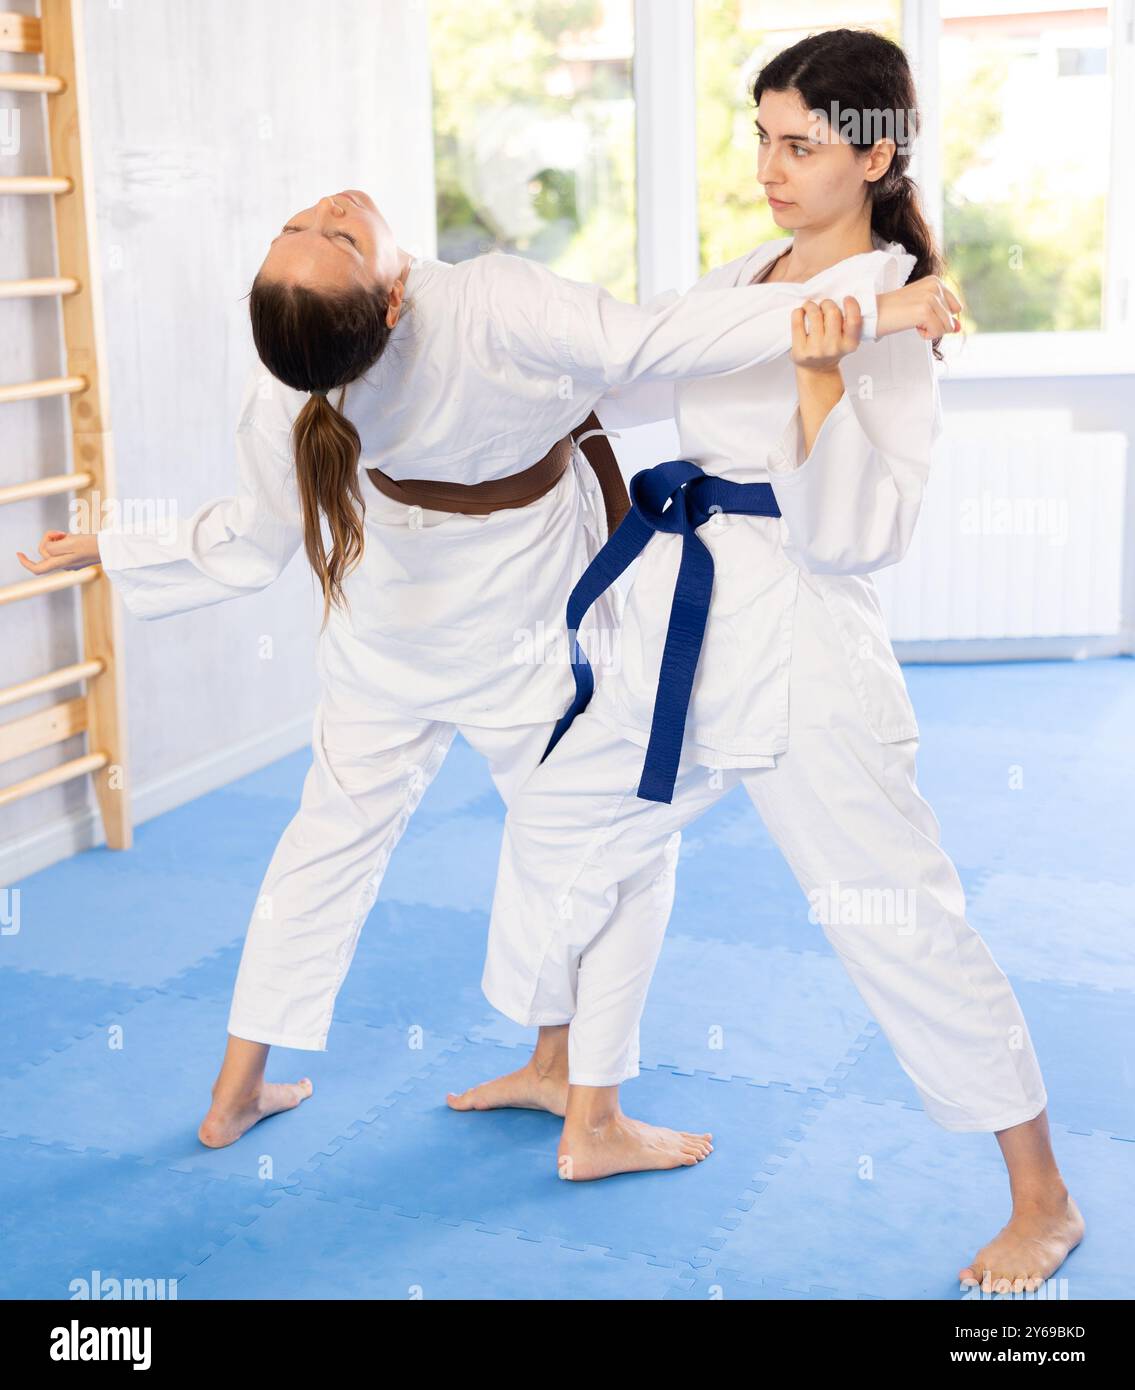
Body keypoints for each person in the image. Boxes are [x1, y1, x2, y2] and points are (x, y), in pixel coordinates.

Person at [15, 184, 932, 1153]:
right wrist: (874, 306)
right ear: (393, 299)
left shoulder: (295, 362)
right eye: (322, 232)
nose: (323, 209)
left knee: (326, 848)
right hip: (524, 630)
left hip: (386, 628)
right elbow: (654, 341)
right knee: (610, 848)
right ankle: (586, 1101)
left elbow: (250, 541)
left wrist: (115, 547)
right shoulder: (490, 300)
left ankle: (235, 1090)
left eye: (302, 226)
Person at [464, 29, 1082, 1296]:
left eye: (800, 144)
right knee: (569, 821)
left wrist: (820, 376)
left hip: (803, 645)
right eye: (761, 135)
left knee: (899, 919)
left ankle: (1044, 1198)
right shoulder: (752, 269)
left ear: (874, 153)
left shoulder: (897, 315)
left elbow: (861, 535)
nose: (770, 166)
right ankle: (572, 1084)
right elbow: (649, 369)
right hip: (676, 619)